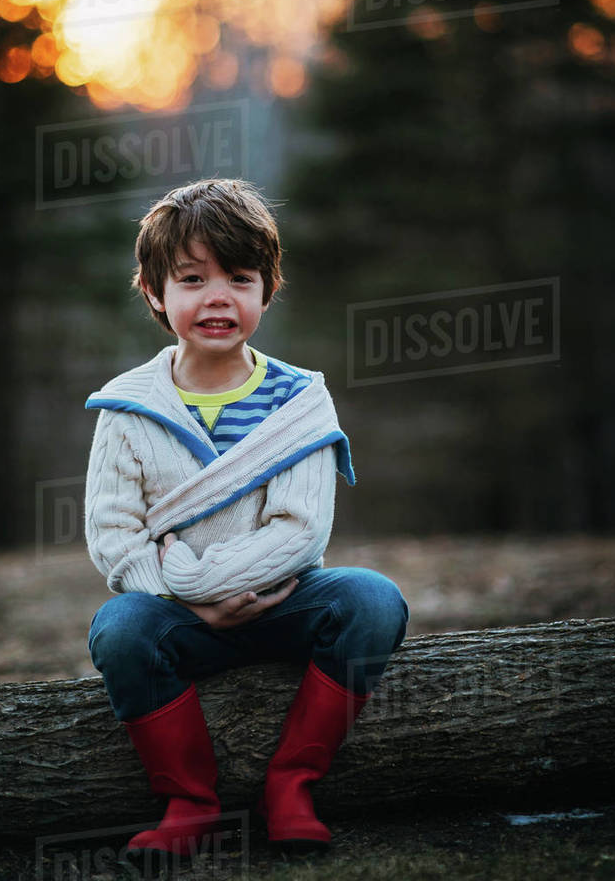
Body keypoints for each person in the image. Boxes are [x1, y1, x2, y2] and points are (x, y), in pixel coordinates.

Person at [84, 177, 409, 867]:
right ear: (152, 291)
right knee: (118, 626)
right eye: (192, 278)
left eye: (239, 276)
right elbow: (113, 537)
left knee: (371, 599)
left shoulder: (299, 401)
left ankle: (291, 786)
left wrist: (195, 577)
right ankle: (189, 806)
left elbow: (300, 533)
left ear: (267, 289)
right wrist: (190, 603)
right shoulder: (126, 408)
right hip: (178, 621)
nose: (218, 297)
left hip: (285, 603)